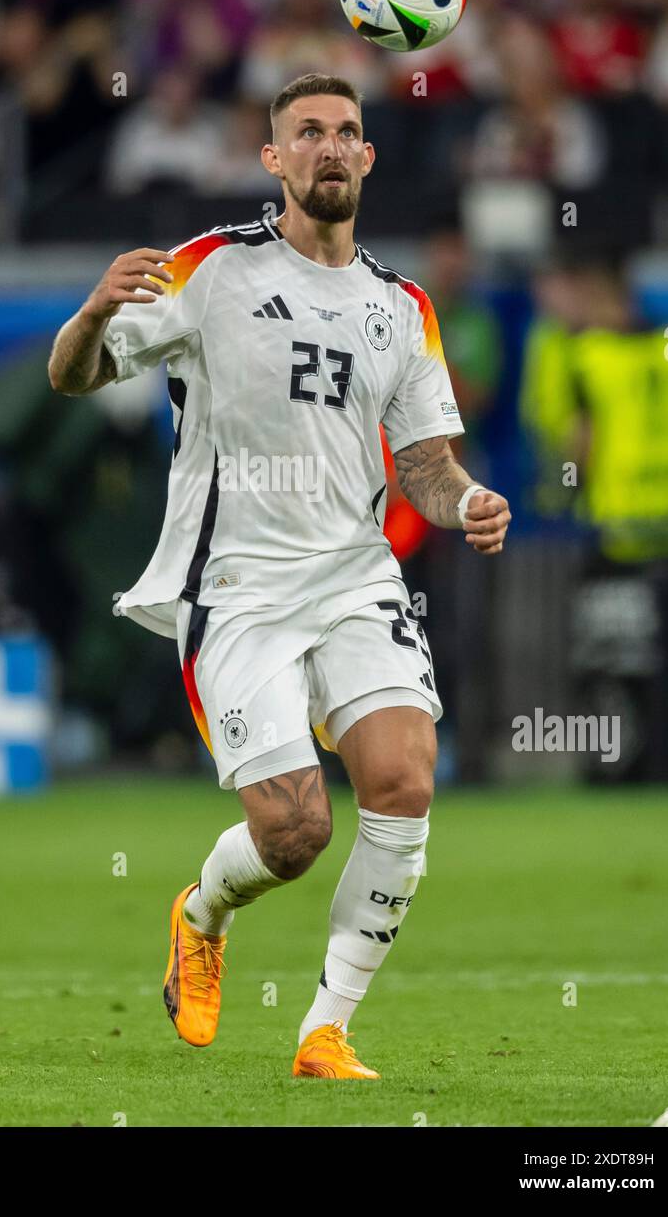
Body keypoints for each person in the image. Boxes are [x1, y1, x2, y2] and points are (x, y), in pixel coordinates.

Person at [47, 72, 511, 1079]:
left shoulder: (402, 305)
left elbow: (424, 463)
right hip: (237, 588)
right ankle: (201, 911)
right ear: (274, 159)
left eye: (346, 131)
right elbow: (74, 375)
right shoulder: (211, 270)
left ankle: (324, 1031)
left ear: (368, 157)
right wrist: (90, 313)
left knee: (402, 779)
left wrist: (466, 499)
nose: (329, 146)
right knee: (296, 827)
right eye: (307, 132)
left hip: (353, 576)